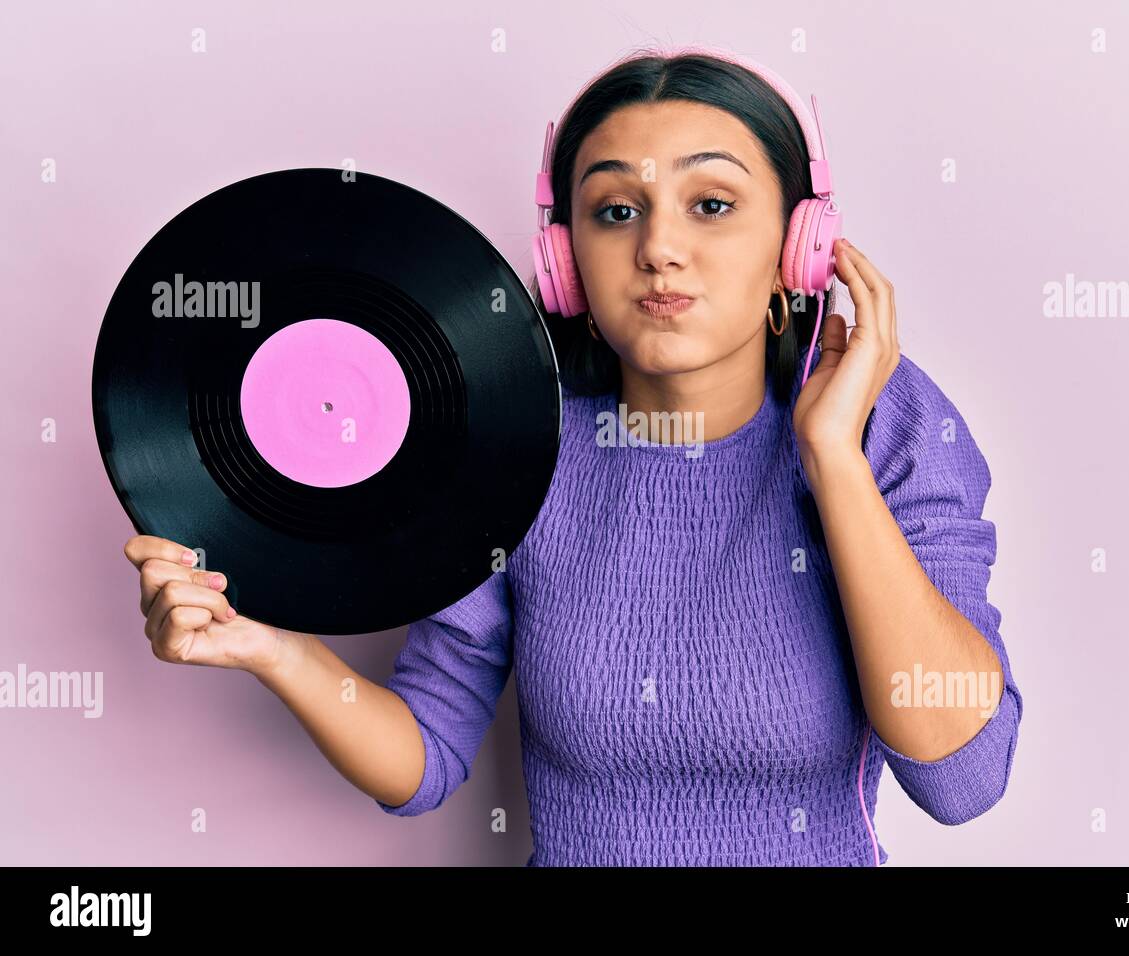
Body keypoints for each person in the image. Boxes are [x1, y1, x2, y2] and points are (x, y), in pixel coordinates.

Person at [124, 45, 1023, 866]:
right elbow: (424, 758)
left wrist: (832, 458)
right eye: (615, 210)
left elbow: (961, 780)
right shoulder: (518, 444)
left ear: (801, 246)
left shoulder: (887, 424)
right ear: (564, 261)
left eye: (712, 205)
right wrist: (273, 649)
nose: (660, 249)